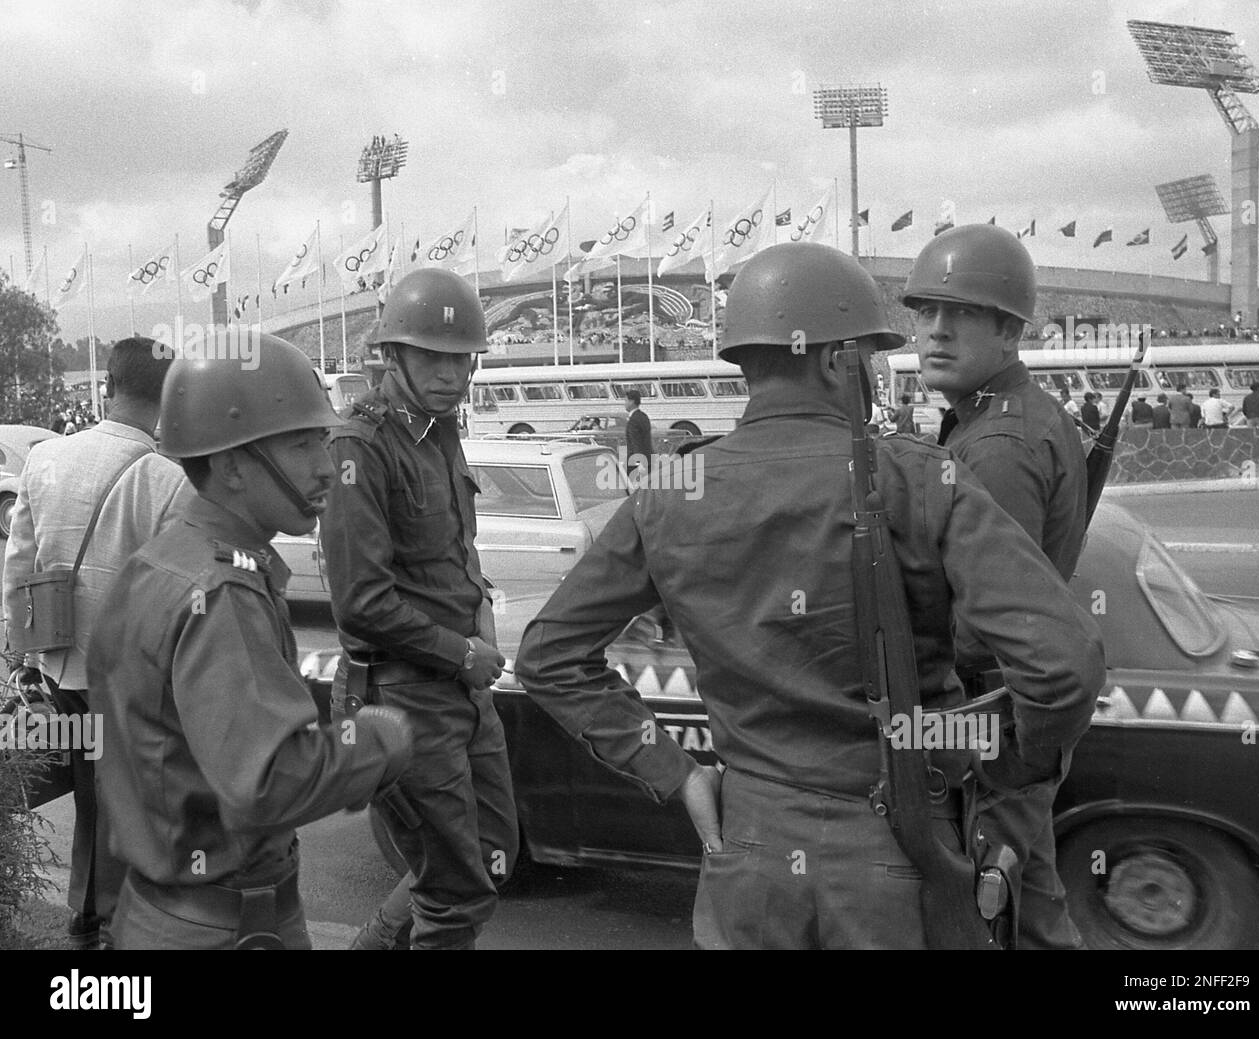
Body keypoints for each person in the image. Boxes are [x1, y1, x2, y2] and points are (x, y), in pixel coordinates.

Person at [515, 243, 1105, 950]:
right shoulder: (919, 480)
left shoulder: (670, 491)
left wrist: (672, 771)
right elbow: (1063, 666)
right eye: (873, 355)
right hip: (898, 856)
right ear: (837, 361)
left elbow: (548, 655)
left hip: (747, 857)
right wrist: (1005, 783)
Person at [85, 333, 412, 949]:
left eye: (322, 439)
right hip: (228, 927)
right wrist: (380, 739)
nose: (325, 465)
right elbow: (268, 782)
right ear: (232, 464)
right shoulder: (223, 593)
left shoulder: (164, 560)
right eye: (300, 443)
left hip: (161, 912)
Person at [903, 222, 1092, 950]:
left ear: (1009, 331)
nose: (937, 331)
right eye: (925, 312)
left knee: (994, 918)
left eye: (964, 314)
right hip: (1008, 715)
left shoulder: (996, 445)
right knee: (1029, 906)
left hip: (986, 714)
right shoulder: (1006, 419)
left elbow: (986, 621)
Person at [321, 267, 518, 951]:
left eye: (463, 357)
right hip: (403, 695)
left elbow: (449, 551)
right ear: (392, 355)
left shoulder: (438, 431)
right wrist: (461, 650)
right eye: (434, 356)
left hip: (460, 688)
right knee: (455, 890)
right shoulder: (360, 446)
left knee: (493, 849)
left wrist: (480, 603)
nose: (453, 371)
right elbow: (361, 602)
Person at [2, 337, 194, 950]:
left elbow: (20, 566)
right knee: (128, 802)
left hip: (62, 667)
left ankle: (89, 918)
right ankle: (110, 924)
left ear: (106, 385)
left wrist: (24, 656)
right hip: (135, 677)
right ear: (166, 396)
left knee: (92, 793)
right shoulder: (168, 479)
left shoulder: (45, 460)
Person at [625, 388, 653, 480]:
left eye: (626, 400)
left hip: (635, 463)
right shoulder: (644, 416)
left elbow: (635, 443)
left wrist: (639, 463)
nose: (624, 403)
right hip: (648, 460)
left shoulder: (633, 420)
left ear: (632, 401)